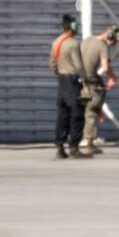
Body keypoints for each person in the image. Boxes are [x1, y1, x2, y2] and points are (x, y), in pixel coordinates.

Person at [50, 14, 87, 159]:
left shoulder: (56, 42)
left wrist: (60, 74)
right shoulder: (73, 43)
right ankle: (74, 147)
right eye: (75, 25)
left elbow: (52, 65)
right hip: (73, 82)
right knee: (77, 115)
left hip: (62, 82)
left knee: (62, 115)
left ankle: (60, 147)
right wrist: (85, 80)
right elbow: (79, 66)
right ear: (71, 27)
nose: (77, 27)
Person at [79, 23, 119, 155]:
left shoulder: (88, 40)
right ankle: (90, 143)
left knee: (85, 111)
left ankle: (82, 138)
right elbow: (106, 67)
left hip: (82, 82)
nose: (112, 45)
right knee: (92, 111)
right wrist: (112, 78)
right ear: (110, 37)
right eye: (113, 43)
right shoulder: (102, 46)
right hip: (92, 83)